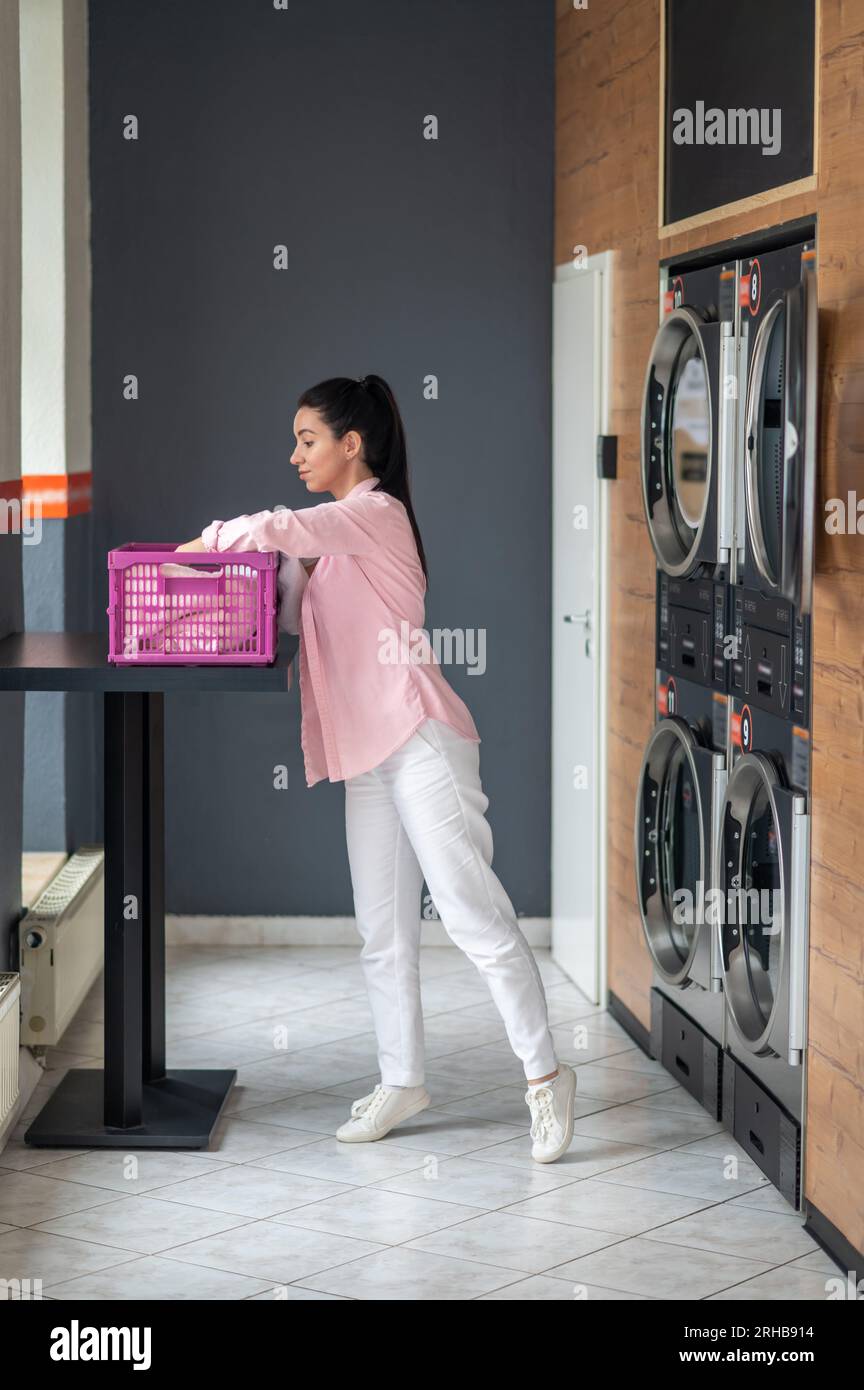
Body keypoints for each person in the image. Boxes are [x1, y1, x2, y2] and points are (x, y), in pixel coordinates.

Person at [177, 374, 576, 1162]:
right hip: (367, 755)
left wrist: (212, 538)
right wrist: (201, 583)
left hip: (419, 738)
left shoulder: (375, 514)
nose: (294, 454)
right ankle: (403, 1080)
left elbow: (279, 526)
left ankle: (546, 1079)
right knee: (381, 934)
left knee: (471, 917)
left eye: (307, 439)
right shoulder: (327, 545)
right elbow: (279, 606)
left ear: (350, 445)